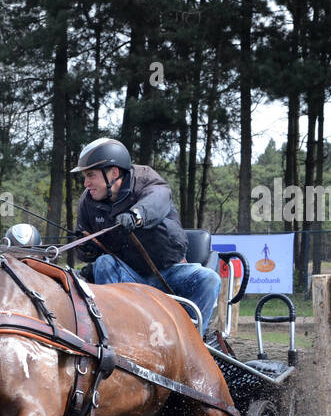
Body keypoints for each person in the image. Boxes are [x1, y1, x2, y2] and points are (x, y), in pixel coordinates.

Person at [72, 138, 220, 335]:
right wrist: (86, 248)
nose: (86, 183)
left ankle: (192, 341)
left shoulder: (145, 179)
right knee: (104, 263)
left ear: (114, 173)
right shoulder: (88, 200)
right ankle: (118, 337)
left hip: (169, 274)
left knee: (209, 278)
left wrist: (136, 216)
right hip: (129, 279)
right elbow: (84, 243)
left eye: (91, 175)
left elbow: (157, 199)